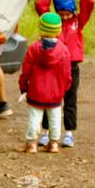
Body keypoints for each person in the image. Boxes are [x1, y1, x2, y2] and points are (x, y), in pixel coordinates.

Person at [34, 0, 95, 147]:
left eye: (67, 14)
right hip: (52, 66)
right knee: (49, 99)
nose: (64, 17)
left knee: (70, 100)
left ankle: (68, 133)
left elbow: (89, 2)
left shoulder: (78, 22)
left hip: (71, 67)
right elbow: (40, 4)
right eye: (61, 14)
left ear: (73, 11)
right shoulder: (52, 23)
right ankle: (46, 132)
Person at [18, 12, 71, 153]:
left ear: (41, 29)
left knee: (34, 118)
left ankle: (31, 144)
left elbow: (26, 71)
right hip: (55, 93)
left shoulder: (34, 48)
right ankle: (54, 144)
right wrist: (64, 89)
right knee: (55, 118)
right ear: (58, 30)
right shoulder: (64, 50)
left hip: (36, 91)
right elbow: (67, 74)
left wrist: (23, 87)